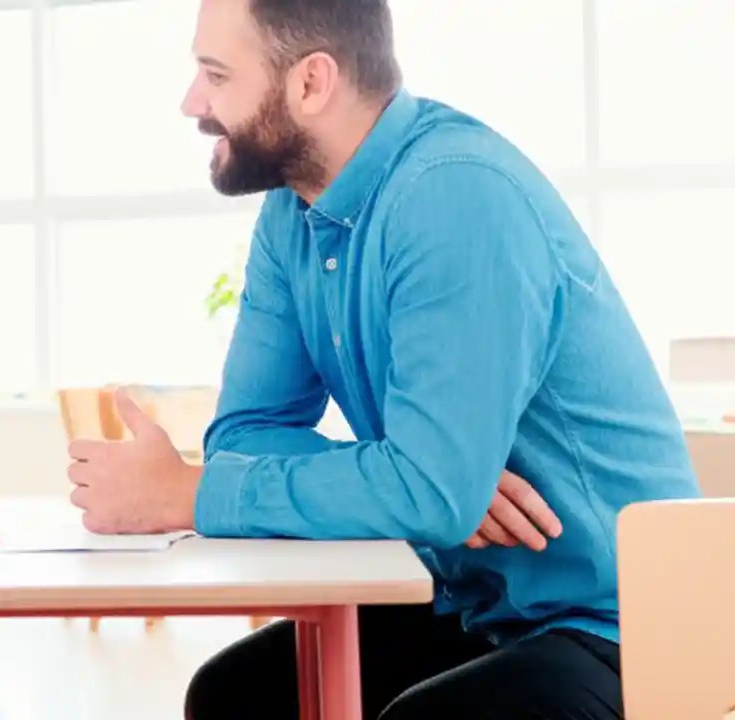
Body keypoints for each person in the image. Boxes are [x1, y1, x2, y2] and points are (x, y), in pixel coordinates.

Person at [66, 0, 702, 718]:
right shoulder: (292, 218)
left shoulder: (455, 194)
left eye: (216, 74)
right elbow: (244, 435)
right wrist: (416, 477)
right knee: (238, 697)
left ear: (311, 84)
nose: (193, 102)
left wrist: (191, 494)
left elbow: (430, 491)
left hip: (622, 631)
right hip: (477, 603)